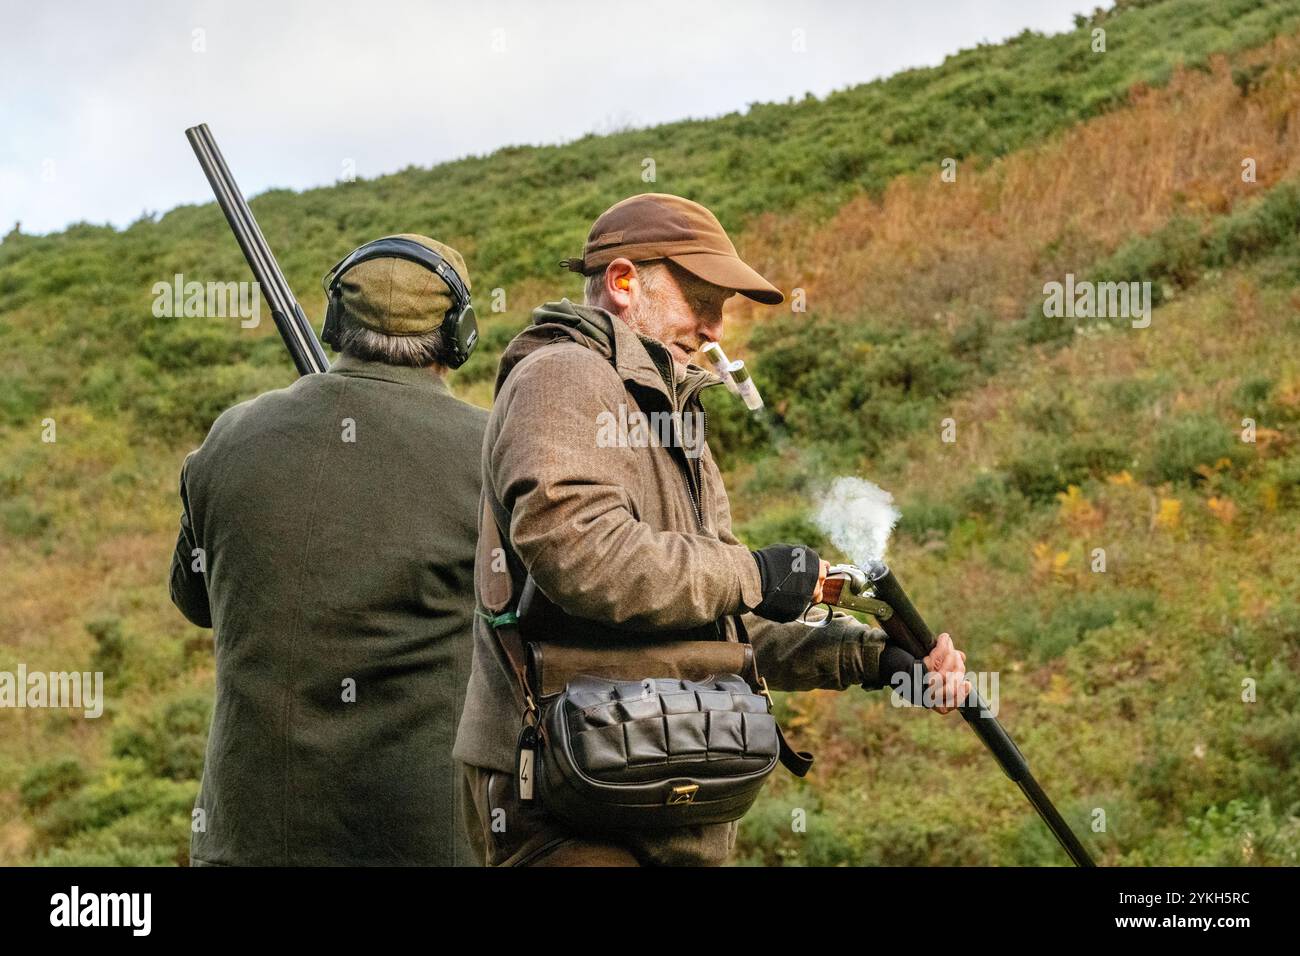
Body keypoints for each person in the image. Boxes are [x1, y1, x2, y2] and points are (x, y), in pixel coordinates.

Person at [454, 194, 970, 866]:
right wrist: (757, 573)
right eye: (698, 295)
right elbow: (583, 555)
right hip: (572, 798)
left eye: (721, 304)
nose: (714, 324)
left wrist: (874, 660)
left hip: (655, 781)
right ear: (622, 281)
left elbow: (721, 615)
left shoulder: (673, 418)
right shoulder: (561, 377)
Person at [170, 234, 487, 865]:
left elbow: (196, 599)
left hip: (249, 839)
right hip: (426, 840)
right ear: (459, 335)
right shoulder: (490, 450)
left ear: (336, 323)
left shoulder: (230, 436)